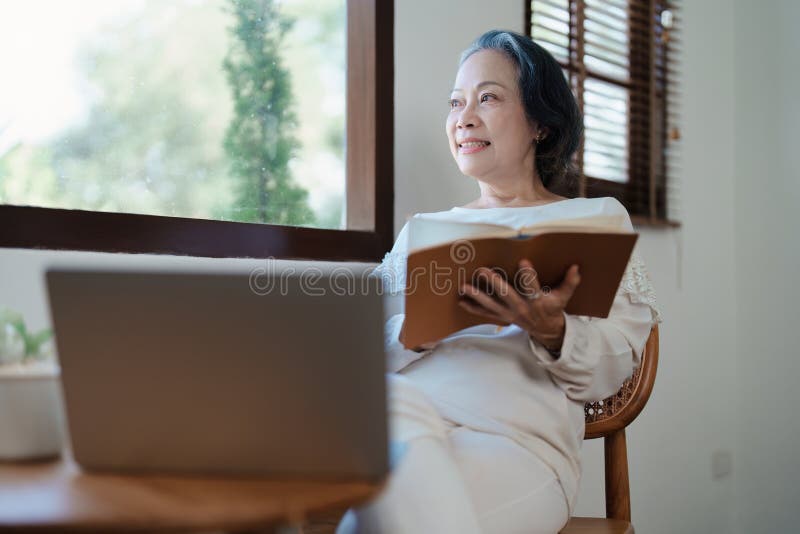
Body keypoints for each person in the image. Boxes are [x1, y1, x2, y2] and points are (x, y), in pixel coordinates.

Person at [337, 30, 662, 534]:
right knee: (392, 414)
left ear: (539, 123)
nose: (464, 117)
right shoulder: (424, 231)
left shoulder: (595, 220)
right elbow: (355, 356)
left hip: (518, 447)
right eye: (455, 102)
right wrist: (418, 331)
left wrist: (554, 333)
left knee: (382, 517)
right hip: (410, 426)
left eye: (487, 97)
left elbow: (615, 372)